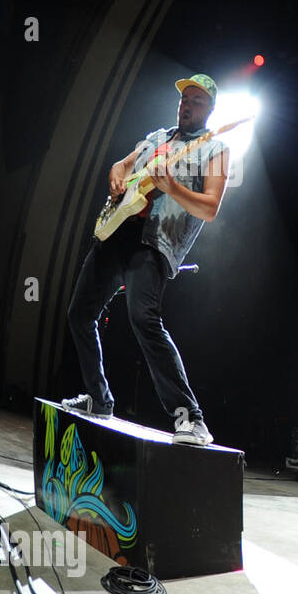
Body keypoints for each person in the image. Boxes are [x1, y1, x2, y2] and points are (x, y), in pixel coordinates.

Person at [62, 74, 229, 446]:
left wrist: (173, 188)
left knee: (143, 319)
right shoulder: (155, 137)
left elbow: (211, 208)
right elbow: (119, 166)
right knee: (79, 314)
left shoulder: (214, 149)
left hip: (153, 244)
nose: (186, 105)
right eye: (184, 99)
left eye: (197, 101)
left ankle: (192, 419)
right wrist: (117, 178)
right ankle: (99, 399)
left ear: (210, 109)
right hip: (115, 233)